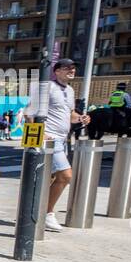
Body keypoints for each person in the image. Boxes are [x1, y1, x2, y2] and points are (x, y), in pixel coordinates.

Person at [23, 57, 89, 232]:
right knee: (65, 175)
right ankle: (47, 213)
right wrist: (40, 133)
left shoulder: (70, 90)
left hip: (62, 139)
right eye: (68, 68)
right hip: (49, 139)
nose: (72, 70)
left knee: (50, 178)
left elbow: (70, 114)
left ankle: (37, 211)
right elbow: (29, 112)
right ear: (57, 71)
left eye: (73, 68)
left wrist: (80, 118)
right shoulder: (47, 87)